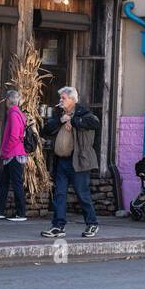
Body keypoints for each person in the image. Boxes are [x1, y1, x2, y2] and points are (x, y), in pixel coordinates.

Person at [41, 86, 102, 239]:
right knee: (59, 194)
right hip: (62, 161)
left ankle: (92, 223)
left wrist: (73, 121)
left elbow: (95, 123)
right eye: (60, 98)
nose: (60, 101)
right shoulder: (59, 114)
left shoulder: (83, 112)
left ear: (72, 100)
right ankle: (58, 226)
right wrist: (61, 120)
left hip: (78, 161)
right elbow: (46, 130)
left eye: (63, 98)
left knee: (82, 194)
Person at [0, 88, 29, 221]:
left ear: (8, 101)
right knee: (4, 182)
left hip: (13, 154)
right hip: (14, 153)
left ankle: (21, 213)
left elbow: (14, 136)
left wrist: (5, 152)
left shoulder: (13, 113)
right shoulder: (19, 113)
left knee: (16, 183)